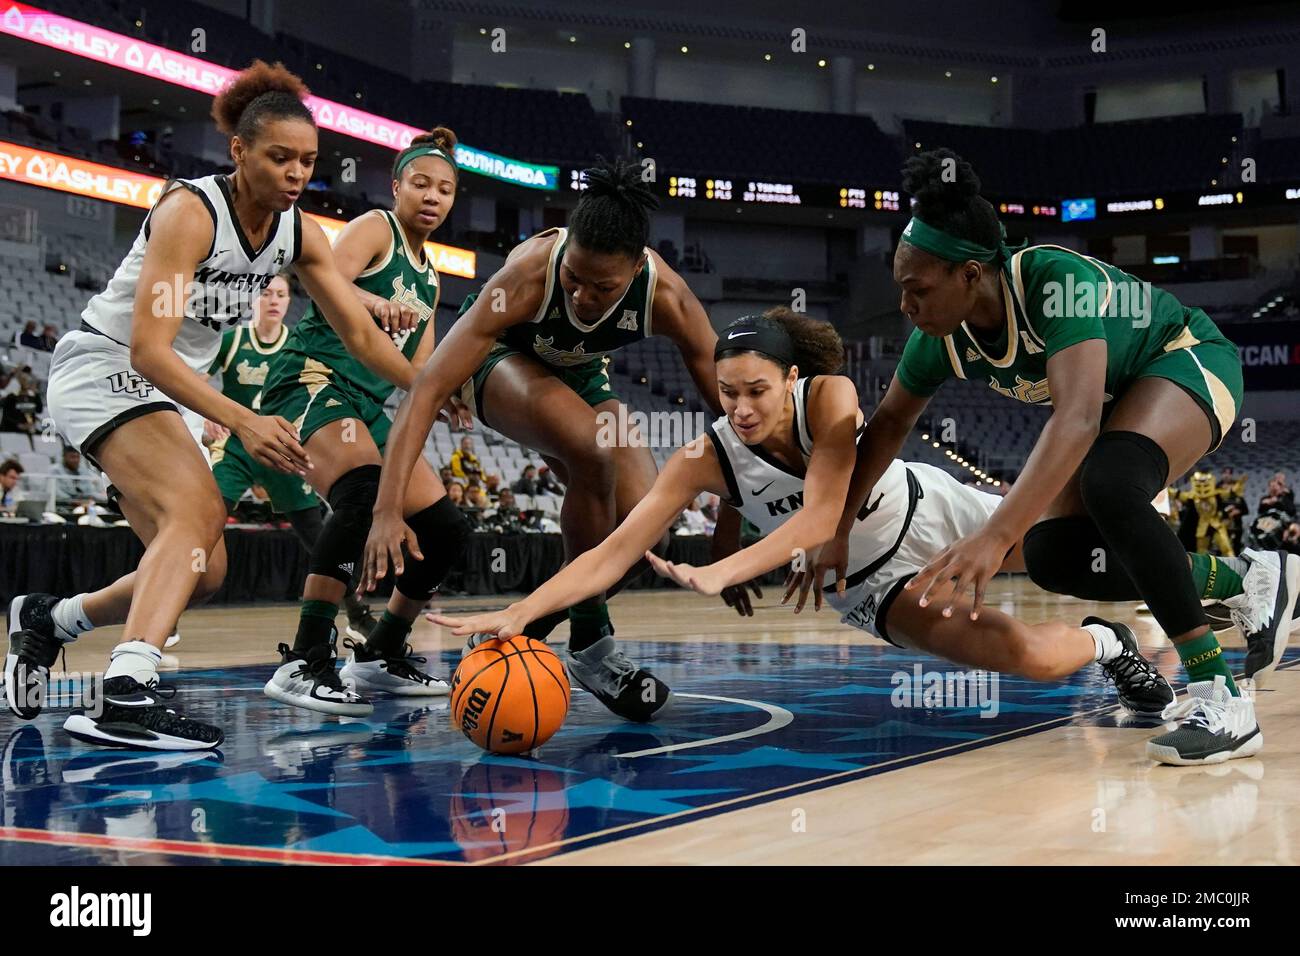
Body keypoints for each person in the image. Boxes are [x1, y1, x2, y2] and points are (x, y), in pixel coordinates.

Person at [429, 310, 1176, 721]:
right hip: (877, 589)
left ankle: (1217, 583)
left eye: (756, 390)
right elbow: (614, 550)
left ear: (792, 377)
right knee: (1035, 661)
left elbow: (822, 517)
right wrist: (521, 611)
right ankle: (1109, 643)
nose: (741, 408)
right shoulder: (706, 455)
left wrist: (725, 567)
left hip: (931, 506)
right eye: (727, 392)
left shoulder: (831, 398)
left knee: (1089, 539)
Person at [806, 148, 1294, 763]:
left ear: (971, 274)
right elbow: (886, 428)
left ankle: (1219, 694)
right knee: (1054, 556)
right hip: (1119, 404)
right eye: (902, 289)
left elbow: (1078, 418)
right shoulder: (939, 340)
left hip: (1186, 358)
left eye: (917, 289)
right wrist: (836, 528)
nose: (906, 305)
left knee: (1111, 486)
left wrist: (992, 534)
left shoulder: (1055, 281)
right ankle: (1247, 578)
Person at [5, 60, 431, 749]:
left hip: (161, 388)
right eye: (280, 157)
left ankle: (52, 621)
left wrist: (433, 382)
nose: (297, 173)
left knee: (205, 572)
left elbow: (356, 329)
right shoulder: (190, 212)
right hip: (105, 366)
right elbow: (148, 349)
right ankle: (125, 693)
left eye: (309, 161)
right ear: (239, 150)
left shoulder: (296, 234)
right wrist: (241, 418)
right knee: (199, 512)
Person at [360, 156, 742, 723]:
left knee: (646, 527)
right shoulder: (530, 272)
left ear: (638, 270)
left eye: (603, 287)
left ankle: (518, 630)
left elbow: (734, 413)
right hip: (497, 361)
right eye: (576, 281)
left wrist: (732, 529)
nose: (585, 297)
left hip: (581, 374)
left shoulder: (671, 299)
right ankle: (591, 643)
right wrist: (387, 510)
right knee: (593, 447)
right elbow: (426, 390)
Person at [258, 124, 470, 715]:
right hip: (311, 377)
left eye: (445, 190)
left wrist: (449, 398)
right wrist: (375, 303)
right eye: (421, 184)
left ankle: (381, 650)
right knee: (361, 496)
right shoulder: (377, 228)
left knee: (447, 530)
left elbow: (422, 369)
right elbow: (323, 276)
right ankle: (305, 657)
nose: (432, 196)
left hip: (368, 405)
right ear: (397, 186)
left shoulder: (431, 276)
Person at [204, 273, 376, 640]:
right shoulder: (233, 341)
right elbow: (198, 378)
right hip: (237, 446)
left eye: (281, 294)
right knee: (201, 523)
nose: (273, 300)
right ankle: (166, 615)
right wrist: (207, 414)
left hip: (284, 446)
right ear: (254, 298)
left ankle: (357, 613)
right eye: (266, 292)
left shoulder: (297, 344)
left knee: (317, 536)